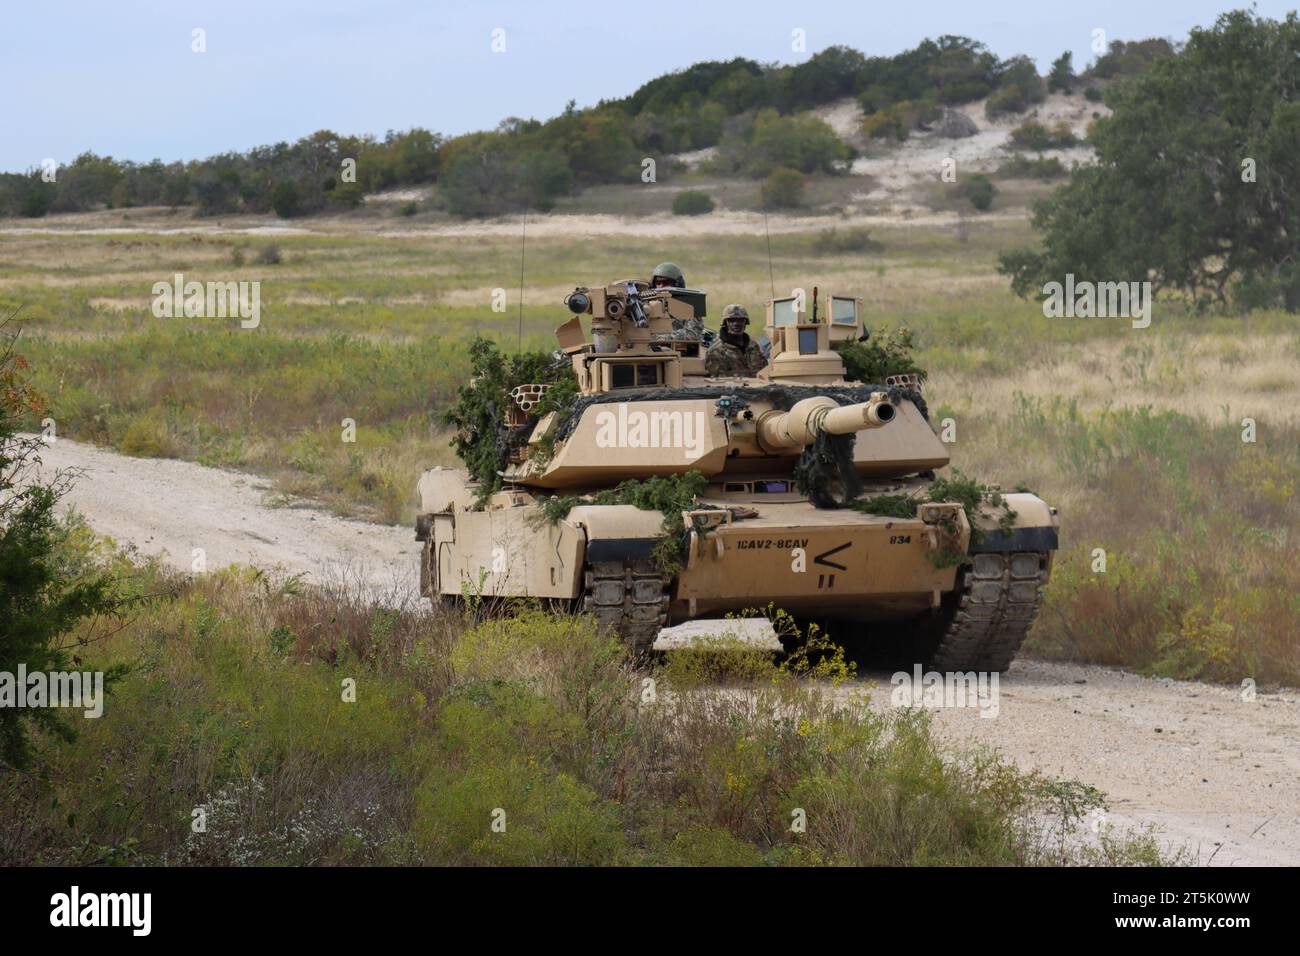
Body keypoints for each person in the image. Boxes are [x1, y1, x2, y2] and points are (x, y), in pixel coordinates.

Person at [647, 261, 708, 344]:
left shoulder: (689, 303)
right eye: (658, 282)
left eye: (666, 282)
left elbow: (692, 334)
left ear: (677, 284)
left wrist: (659, 338)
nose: (661, 286)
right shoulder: (647, 303)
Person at [706, 304, 766, 376]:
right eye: (732, 320)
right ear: (725, 323)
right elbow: (717, 381)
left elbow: (764, 370)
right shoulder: (716, 351)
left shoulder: (753, 346)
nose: (736, 324)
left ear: (745, 323)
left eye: (740, 320)